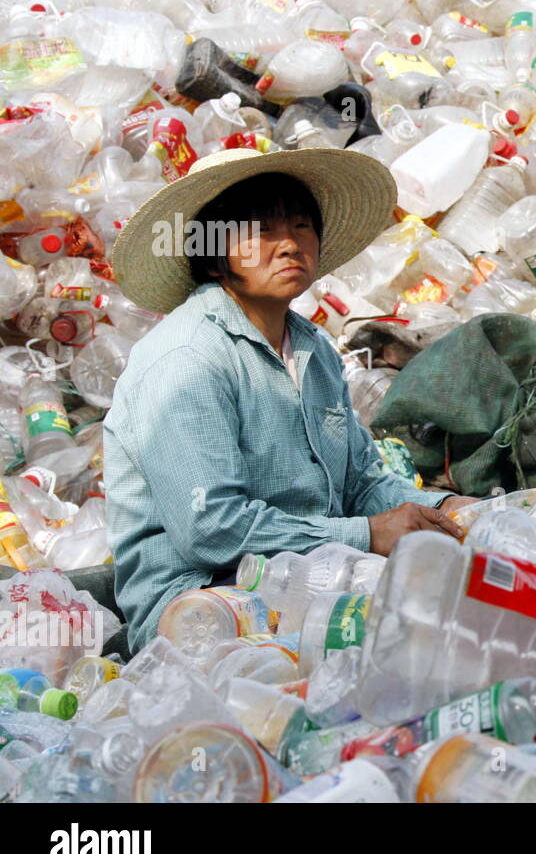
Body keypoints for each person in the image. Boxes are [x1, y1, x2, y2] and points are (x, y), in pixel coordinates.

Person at [104, 147, 477, 652]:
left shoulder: (313, 348)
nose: (288, 246)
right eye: (261, 231)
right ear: (213, 252)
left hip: (312, 570)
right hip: (202, 601)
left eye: (302, 227)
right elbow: (210, 527)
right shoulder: (187, 358)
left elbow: (361, 484)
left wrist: (447, 508)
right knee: (420, 621)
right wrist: (365, 536)